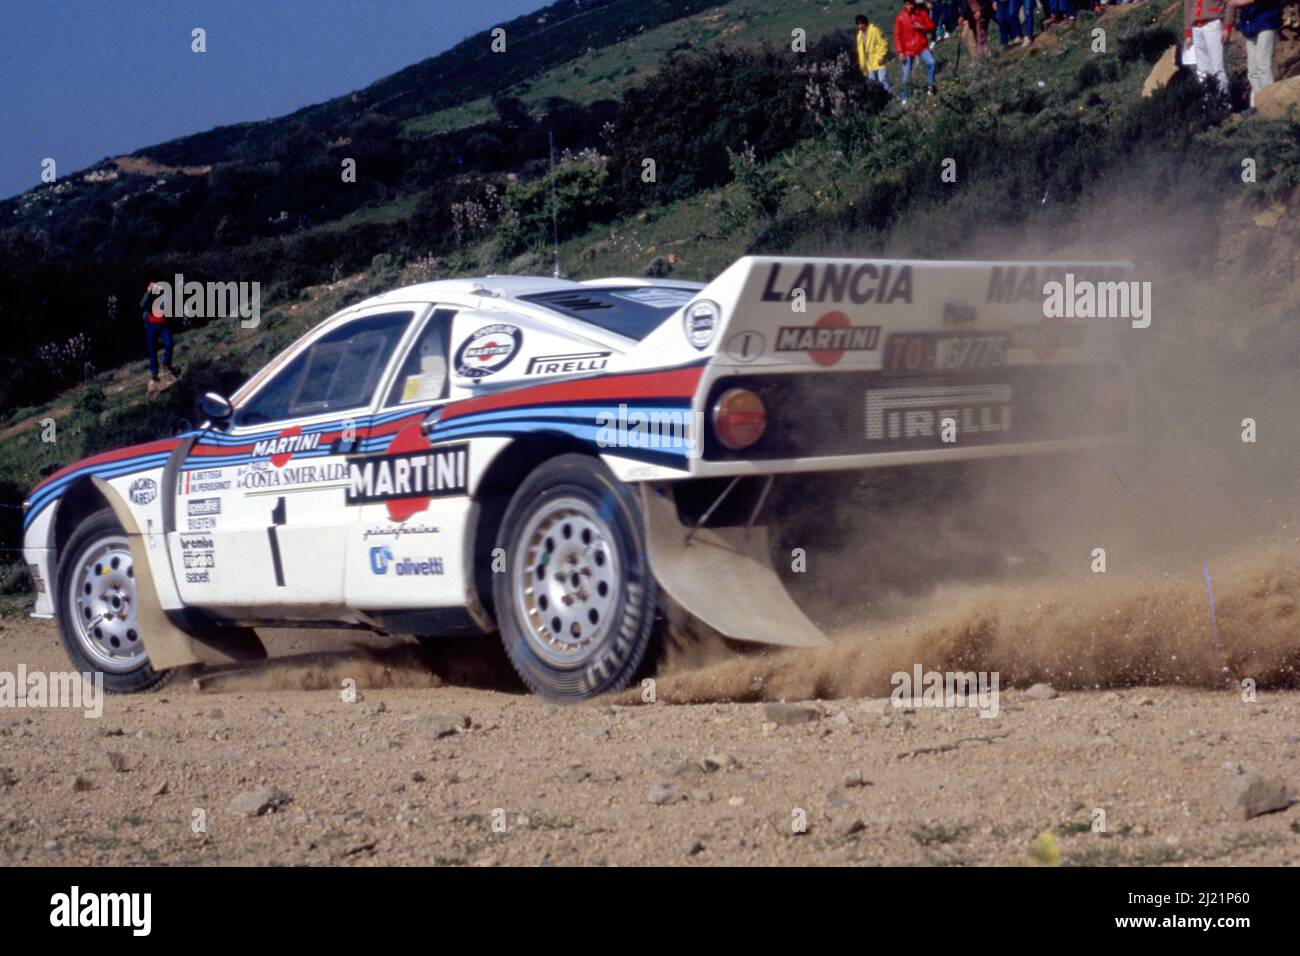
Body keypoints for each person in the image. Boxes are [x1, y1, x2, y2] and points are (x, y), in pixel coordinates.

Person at [1229, 0, 1280, 108]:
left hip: (1266, 20)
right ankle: (1258, 104)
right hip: (1250, 25)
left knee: (1263, 65)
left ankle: (1270, 103)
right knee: (1252, 70)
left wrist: (1242, 3)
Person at [1184, 0, 1235, 98]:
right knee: (1202, 70)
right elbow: (1188, 6)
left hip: (1213, 23)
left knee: (1218, 68)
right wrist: (1188, 32)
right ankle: (1208, 103)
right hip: (1196, 27)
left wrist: (1227, 26)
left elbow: (1230, 3)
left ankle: (1224, 103)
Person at [895, 0, 938, 100]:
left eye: (911, 4)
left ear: (914, 4)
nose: (910, 6)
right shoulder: (900, 18)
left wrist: (922, 27)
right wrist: (900, 52)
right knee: (906, 74)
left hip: (921, 46)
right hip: (907, 50)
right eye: (908, 4)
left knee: (932, 63)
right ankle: (904, 97)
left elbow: (932, 26)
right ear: (905, 5)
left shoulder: (921, 13)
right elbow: (897, 36)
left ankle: (931, 87)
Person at [140, 280, 177, 384]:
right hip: (151, 325)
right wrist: (148, 292)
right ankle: (154, 372)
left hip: (163, 324)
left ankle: (166, 364)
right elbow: (142, 305)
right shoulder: (147, 297)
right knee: (152, 349)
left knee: (169, 344)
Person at [854, 13, 892, 92]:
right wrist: (862, 65)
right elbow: (861, 52)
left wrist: (881, 56)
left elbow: (883, 44)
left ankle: (889, 96)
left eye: (861, 23)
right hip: (869, 65)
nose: (860, 26)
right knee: (873, 84)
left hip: (879, 62)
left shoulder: (874, 30)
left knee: (882, 81)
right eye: (858, 24)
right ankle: (881, 101)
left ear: (865, 23)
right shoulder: (859, 36)